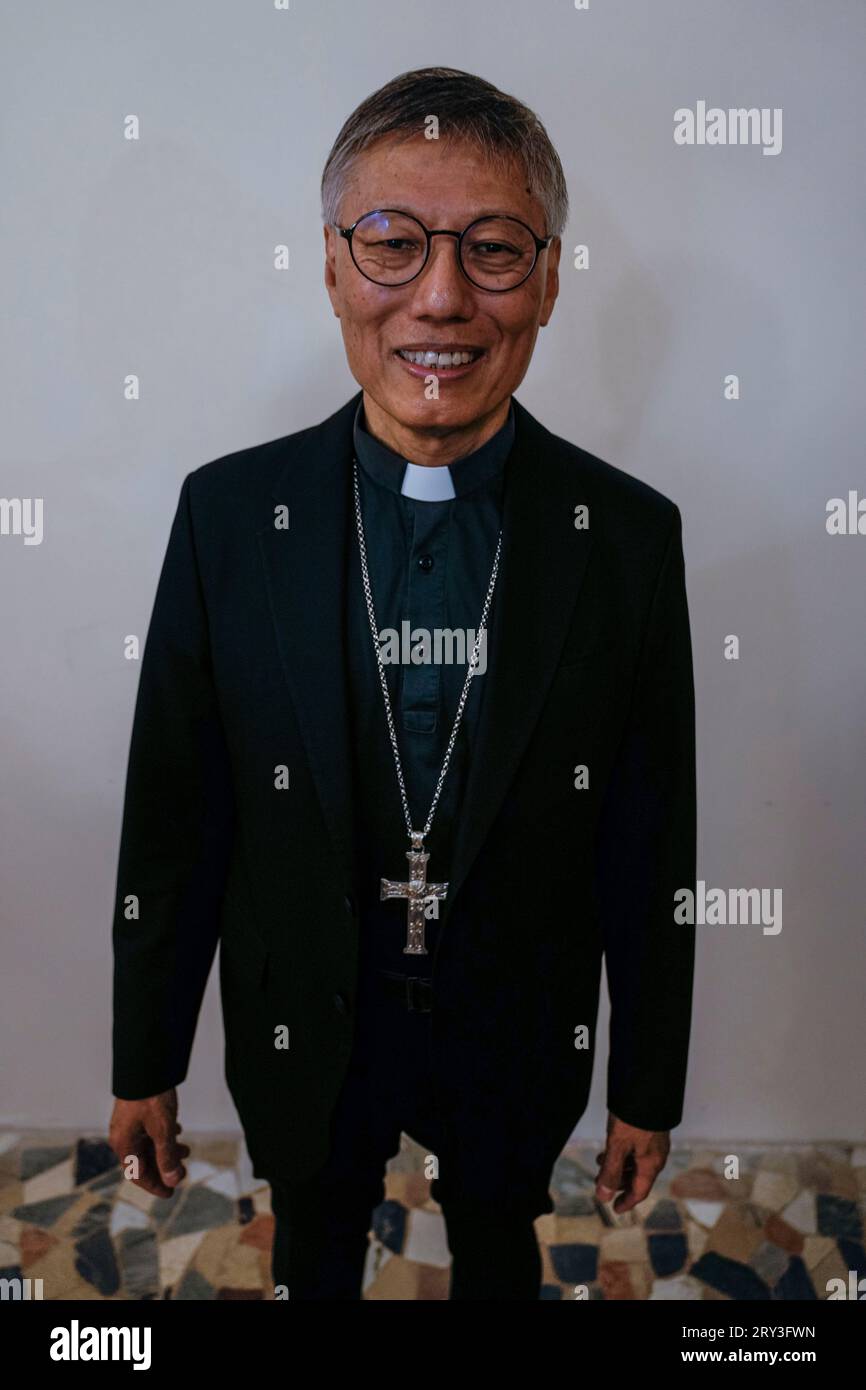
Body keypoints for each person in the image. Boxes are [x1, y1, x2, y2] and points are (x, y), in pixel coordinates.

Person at [109, 66, 697, 1301]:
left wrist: (648, 1085)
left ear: (544, 280)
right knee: (314, 1242)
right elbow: (176, 817)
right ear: (332, 266)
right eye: (391, 243)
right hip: (302, 1012)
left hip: (520, 1024)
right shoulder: (227, 518)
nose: (440, 296)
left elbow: (650, 840)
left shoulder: (627, 538)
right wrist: (142, 1057)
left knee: (497, 1251)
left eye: (491, 249)